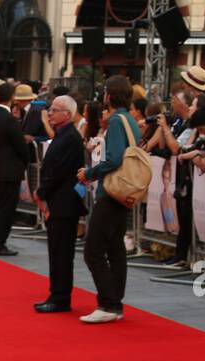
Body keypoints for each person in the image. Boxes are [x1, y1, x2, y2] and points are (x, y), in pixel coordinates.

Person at [78, 75, 142, 323]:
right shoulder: (130, 121)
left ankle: (108, 302)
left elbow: (114, 159)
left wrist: (89, 173)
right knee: (115, 248)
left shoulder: (117, 121)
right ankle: (114, 303)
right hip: (123, 192)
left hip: (112, 191)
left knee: (93, 250)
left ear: (109, 95)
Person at [33, 94, 86, 313]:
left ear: (67, 114)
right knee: (57, 251)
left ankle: (60, 297)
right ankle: (56, 293)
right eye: (51, 109)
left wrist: (41, 192)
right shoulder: (64, 135)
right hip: (59, 201)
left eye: (55, 110)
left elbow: (57, 171)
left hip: (63, 203)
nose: (50, 113)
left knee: (61, 252)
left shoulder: (70, 137)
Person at [0, 82, 27, 256]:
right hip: (9, 171)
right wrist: (25, 162)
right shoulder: (10, 120)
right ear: (11, 98)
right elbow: (21, 146)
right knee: (6, 208)